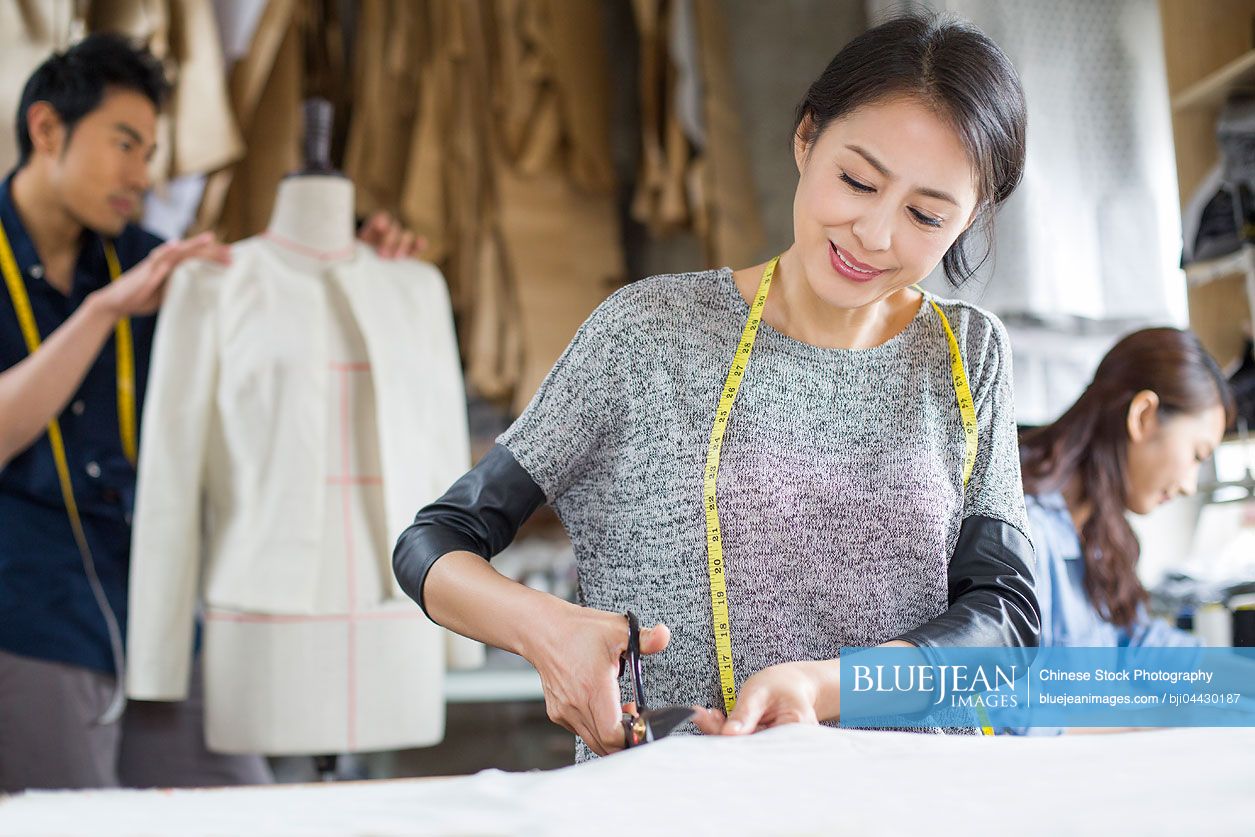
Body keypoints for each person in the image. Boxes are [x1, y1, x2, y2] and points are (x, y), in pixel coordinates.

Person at [394, 12, 1040, 759]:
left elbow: (1006, 621)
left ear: (967, 220)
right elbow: (433, 542)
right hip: (679, 795)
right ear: (806, 139)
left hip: (909, 794)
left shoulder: (965, 354)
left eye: (925, 215)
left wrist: (824, 687)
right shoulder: (648, 333)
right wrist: (546, 630)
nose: (875, 234)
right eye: (857, 181)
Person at [0, 34, 424, 792]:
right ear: (46, 129)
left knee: (239, 803)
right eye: (124, 144)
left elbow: (270, 335)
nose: (142, 175)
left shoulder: (157, 262)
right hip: (30, 620)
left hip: (155, 612)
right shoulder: (131, 283)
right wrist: (102, 313)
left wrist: (353, 268)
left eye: (151, 151)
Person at [1019, 328, 1235, 650]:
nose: (1189, 487)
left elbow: (1134, 643)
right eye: (1196, 455)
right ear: (1143, 415)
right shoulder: (1025, 530)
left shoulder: (1098, 530)